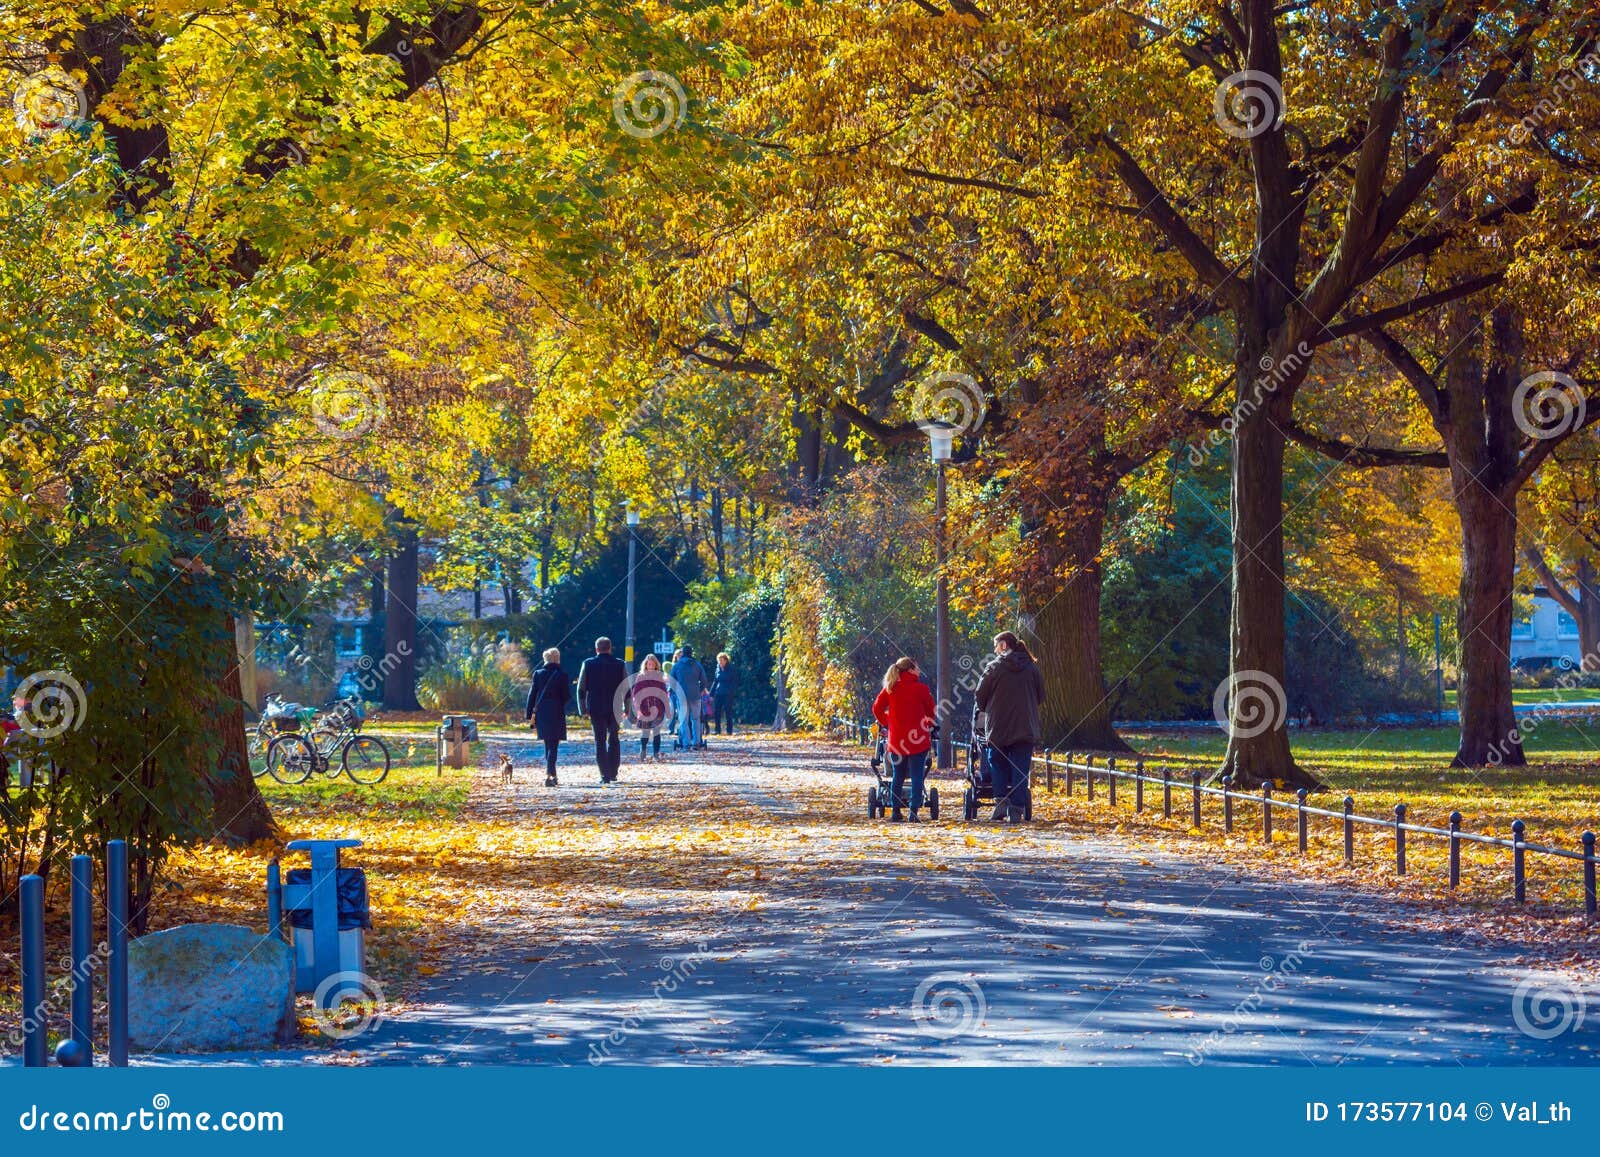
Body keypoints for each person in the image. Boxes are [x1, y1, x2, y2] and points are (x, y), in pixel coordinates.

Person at [975, 630, 1044, 822]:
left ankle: (1001, 802)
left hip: (998, 726)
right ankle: (1017, 808)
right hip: (1025, 726)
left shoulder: (994, 667)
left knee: (997, 763)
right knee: (1020, 767)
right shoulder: (1031, 668)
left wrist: (986, 708)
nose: (995, 650)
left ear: (1004, 645)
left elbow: (980, 694)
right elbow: (1040, 695)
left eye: (996, 646)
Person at [871, 656, 936, 823]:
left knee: (897, 776)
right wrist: (928, 722)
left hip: (897, 740)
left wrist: (887, 723)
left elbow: (877, 708)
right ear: (910, 670)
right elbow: (931, 711)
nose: (919, 671)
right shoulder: (921, 689)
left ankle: (895, 811)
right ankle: (913, 812)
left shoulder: (890, 688)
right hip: (918, 740)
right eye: (917, 668)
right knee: (916, 776)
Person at [577, 637, 628, 783]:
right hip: (615, 707)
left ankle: (604, 774)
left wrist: (583, 709)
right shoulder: (620, 664)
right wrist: (627, 708)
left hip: (596, 707)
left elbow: (581, 689)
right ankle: (613, 772)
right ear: (610, 648)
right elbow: (626, 689)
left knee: (599, 741)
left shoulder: (588, 664)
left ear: (596, 649)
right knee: (614, 739)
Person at [524, 647, 571, 786]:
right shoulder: (562, 675)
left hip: (542, 712)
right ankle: (551, 773)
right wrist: (559, 703)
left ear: (545, 659)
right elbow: (567, 696)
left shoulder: (538, 674)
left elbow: (532, 694)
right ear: (557, 658)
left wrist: (529, 714)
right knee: (554, 744)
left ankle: (551, 773)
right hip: (556, 711)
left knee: (547, 743)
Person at [628, 654, 670, 762]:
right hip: (644, 709)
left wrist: (667, 709)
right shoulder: (641, 676)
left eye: (652, 663)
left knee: (656, 732)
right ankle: (643, 750)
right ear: (645, 665)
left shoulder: (659, 676)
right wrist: (638, 710)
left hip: (658, 708)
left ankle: (656, 753)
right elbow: (635, 694)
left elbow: (664, 694)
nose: (650, 665)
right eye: (648, 663)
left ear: (656, 665)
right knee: (645, 732)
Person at [671, 644, 708, 751]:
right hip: (695, 695)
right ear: (691, 653)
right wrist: (700, 690)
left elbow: (672, 681)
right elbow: (704, 680)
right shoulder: (697, 665)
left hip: (681, 696)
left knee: (683, 721)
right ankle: (696, 743)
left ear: (682, 653)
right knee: (696, 719)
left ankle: (686, 744)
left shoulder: (677, 665)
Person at [711, 652, 739, 735]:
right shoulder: (718, 669)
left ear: (726, 660)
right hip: (718, 693)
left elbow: (734, 682)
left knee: (728, 712)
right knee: (716, 712)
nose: (720, 662)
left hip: (728, 693)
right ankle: (717, 730)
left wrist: (731, 691)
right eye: (719, 661)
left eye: (722, 660)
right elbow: (715, 681)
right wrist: (711, 694)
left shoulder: (731, 669)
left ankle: (729, 730)